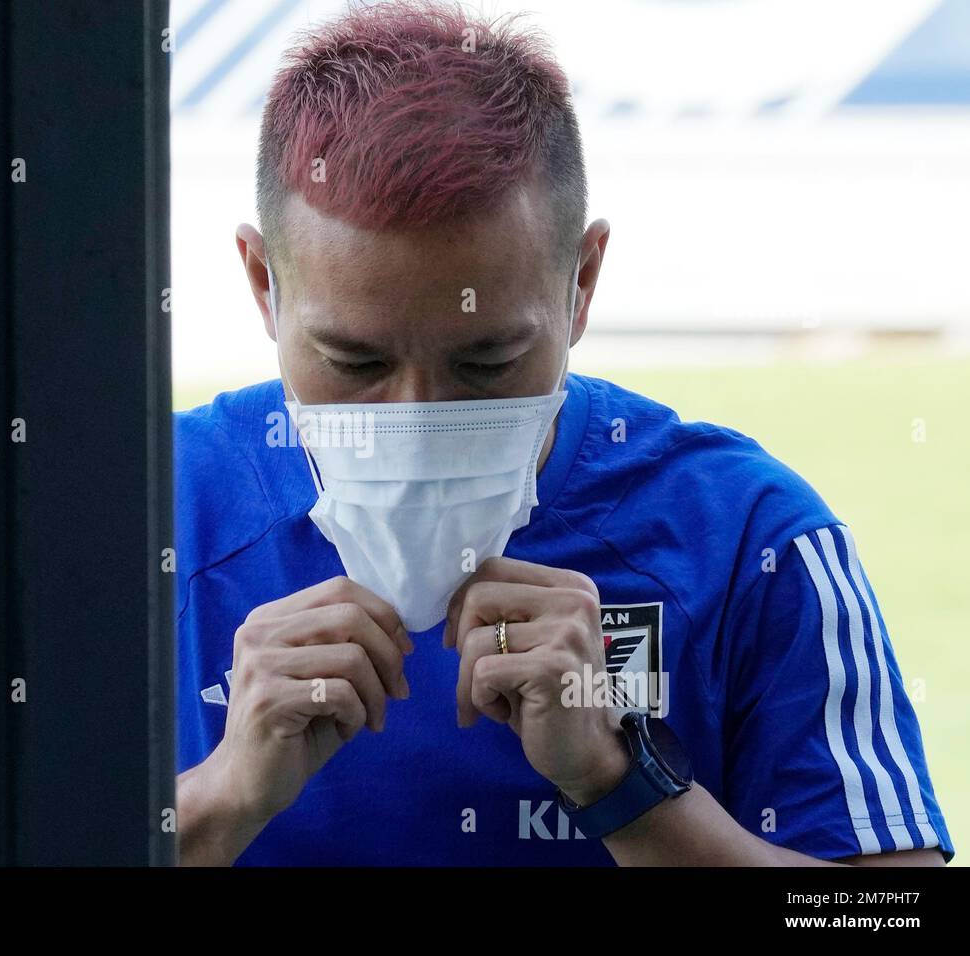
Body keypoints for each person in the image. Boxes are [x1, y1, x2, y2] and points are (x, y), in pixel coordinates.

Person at [172, 0, 954, 866]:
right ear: (260, 283)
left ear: (581, 282)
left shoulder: (746, 538)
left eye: (487, 363)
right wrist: (222, 796)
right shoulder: (153, 518)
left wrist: (626, 787)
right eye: (354, 365)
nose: (420, 423)